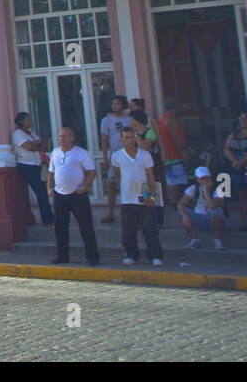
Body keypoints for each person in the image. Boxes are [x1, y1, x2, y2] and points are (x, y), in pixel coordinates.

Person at [109, 127, 163, 265]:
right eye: (126, 138)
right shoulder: (116, 156)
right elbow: (118, 175)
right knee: (128, 230)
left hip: (144, 194)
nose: (129, 140)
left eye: (132, 137)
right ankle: (131, 255)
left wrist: (152, 195)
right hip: (127, 198)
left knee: (149, 227)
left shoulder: (145, 155)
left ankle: (155, 255)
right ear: (121, 139)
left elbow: (150, 176)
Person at [47, 126, 99, 265]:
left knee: (85, 226)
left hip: (77, 195)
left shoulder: (81, 153)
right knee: (60, 227)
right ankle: (62, 255)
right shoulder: (55, 152)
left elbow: (92, 172)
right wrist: (49, 188)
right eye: (60, 137)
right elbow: (51, 172)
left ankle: (92, 257)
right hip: (60, 194)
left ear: (72, 137)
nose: (62, 140)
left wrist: (84, 187)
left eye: (65, 137)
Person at [99, 95, 134, 223]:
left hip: (128, 156)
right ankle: (110, 213)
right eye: (113, 104)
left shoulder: (129, 119)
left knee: (130, 185)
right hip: (114, 157)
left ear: (123, 105)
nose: (115, 106)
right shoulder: (106, 120)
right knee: (112, 185)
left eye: (118, 104)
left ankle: (132, 213)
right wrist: (105, 158)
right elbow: (104, 139)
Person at [12, 112, 51, 226]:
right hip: (27, 165)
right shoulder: (18, 134)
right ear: (21, 121)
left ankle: (47, 217)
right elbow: (28, 147)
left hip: (38, 164)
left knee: (43, 191)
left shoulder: (31, 133)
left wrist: (35, 144)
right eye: (28, 120)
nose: (30, 122)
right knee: (41, 192)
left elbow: (43, 144)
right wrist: (35, 145)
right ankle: (48, 219)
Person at [224, 111, 247, 230]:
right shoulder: (234, 134)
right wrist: (234, 161)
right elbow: (227, 148)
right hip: (236, 168)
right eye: (240, 118)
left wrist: (243, 161)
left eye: (245, 118)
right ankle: (246, 223)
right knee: (242, 196)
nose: (242, 120)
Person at [177, 166, 225, 250]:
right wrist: (185, 217)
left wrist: (206, 190)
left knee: (215, 211)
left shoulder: (219, 189)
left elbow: (212, 206)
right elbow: (181, 204)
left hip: (213, 219)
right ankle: (195, 239)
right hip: (198, 218)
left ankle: (218, 242)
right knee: (182, 212)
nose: (205, 181)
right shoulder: (193, 189)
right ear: (197, 180)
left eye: (207, 178)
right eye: (202, 178)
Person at [158, 100, 189, 203]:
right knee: (176, 181)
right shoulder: (171, 119)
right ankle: (177, 203)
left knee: (172, 180)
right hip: (174, 154)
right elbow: (176, 137)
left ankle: (175, 202)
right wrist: (184, 151)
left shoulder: (164, 118)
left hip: (169, 154)